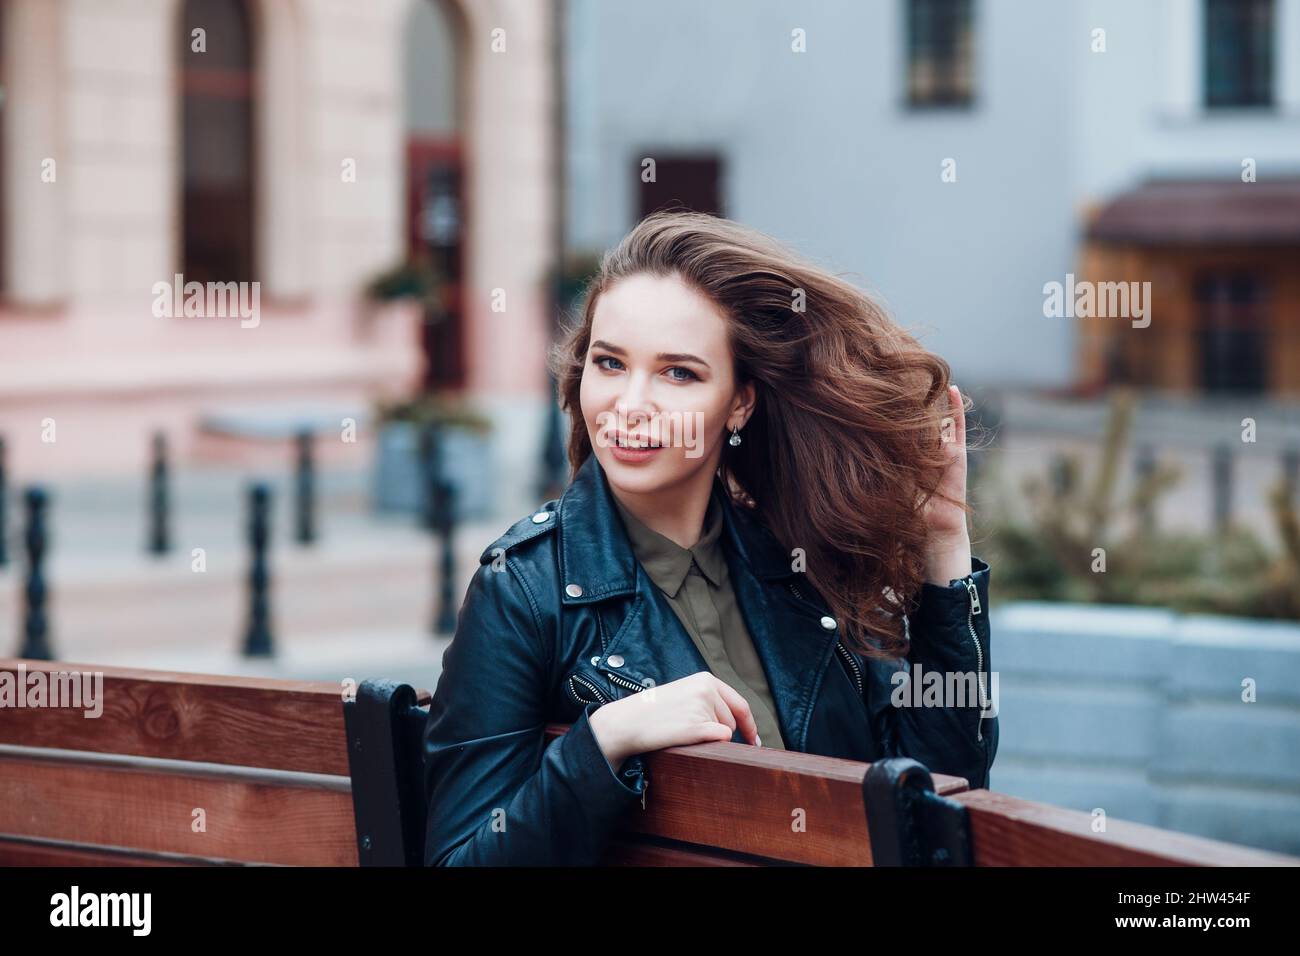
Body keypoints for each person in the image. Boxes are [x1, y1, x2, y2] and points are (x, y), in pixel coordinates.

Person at [422, 211, 996, 866]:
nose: (630, 404)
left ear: (740, 403)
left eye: (679, 374)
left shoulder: (799, 557)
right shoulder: (524, 590)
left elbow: (942, 797)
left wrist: (945, 542)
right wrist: (605, 739)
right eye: (610, 363)